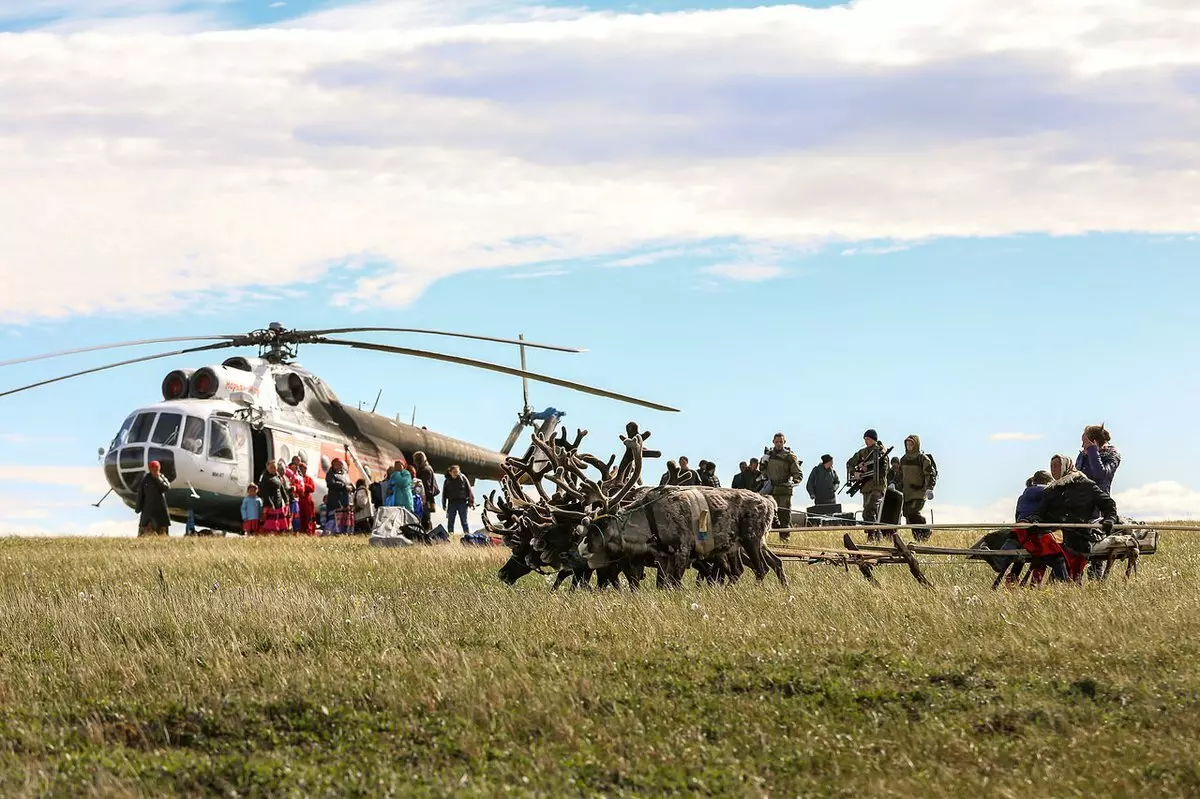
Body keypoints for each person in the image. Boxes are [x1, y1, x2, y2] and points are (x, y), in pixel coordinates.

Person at [1019, 453, 1118, 582]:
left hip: (1077, 533)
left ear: (1066, 466)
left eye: (1056, 466)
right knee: (1021, 533)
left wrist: (1109, 519)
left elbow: (1108, 504)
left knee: (1050, 543)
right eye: (1051, 466)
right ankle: (1063, 579)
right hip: (1054, 531)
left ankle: (1065, 581)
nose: (1053, 469)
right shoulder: (1052, 489)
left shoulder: (1086, 485)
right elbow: (1040, 512)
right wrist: (1034, 519)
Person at [761, 432, 804, 539]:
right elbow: (762, 470)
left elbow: (797, 472)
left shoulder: (789, 456)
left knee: (784, 516)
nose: (779, 444)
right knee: (768, 515)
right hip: (770, 489)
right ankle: (767, 540)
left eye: (781, 442)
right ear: (773, 442)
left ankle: (785, 538)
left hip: (784, 490)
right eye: (776, 442)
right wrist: (763, 462)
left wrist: (796, 480)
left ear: (784, 442)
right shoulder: (768, 455)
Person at [897, 435, 937, 541]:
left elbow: (930, 474)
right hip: (906, 494)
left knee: (913, 513)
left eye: (911, 444)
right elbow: (899, 476)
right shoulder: (903, 459)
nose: (909, 446)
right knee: (908, 515)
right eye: (907, 444)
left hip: (918, 492)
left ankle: (926, 531)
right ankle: (919, 539)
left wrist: (929, 488)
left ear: (916, 445)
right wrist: (894, 484)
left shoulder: (922, 458)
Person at [847, 430, 888, 532]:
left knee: (869, 510)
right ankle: (875, 535)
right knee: (868, 512)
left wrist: (867, 466)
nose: (866, 441)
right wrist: (855, 472)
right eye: (865, 439)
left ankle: (873, 534)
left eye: (868, 439)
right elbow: (849, 463)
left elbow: (883, 469)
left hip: (877, 486)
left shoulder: (881, 451)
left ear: (873, 439)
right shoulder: (862, 452)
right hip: (866, 487)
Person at [1076, 424, 1120, 494]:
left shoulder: (1112, 454)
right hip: (1081, 501)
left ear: (1094, 442)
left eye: (1084, 442)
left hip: (1099, 501)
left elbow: (1100, 475)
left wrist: (1092, 450)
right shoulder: (1082, 455)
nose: (1082, 445)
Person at [135, 460, 171, 536]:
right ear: (150, 469)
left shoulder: (162, 478)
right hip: (147, 512)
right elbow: (140, 495)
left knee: (162, 535)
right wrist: (138, 508)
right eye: (153, 468)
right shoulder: (145, 479)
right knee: (144, 535)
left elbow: (166, 488)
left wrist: (158, 478)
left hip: (161, 512)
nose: (155, 470)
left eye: (156, 468)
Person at [442, 464, 474, 534]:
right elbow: (444, 493)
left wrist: (471, 502)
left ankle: (467, 535)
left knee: (464, 521)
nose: (456, 473)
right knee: (450, 521)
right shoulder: (447, 481)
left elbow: (469, 490)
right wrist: (443, 504)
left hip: (462, 502)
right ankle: (451, 535)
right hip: (451, 503)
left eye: (457, 472)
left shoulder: (463, 478)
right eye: (454, 472)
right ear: (450, 472)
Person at [258, 461, 287, 534]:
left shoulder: (277, 476)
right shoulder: (265, 478)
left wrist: (286, 499)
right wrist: (270, 504)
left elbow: (281, 488)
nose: (273, 469)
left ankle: (278, 534)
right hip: (270, 503)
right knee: (270, 524)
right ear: (267, 468)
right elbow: (264, 492)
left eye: (275, 467)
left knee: (280, 523)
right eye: (271, 467)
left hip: (278, 502)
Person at [325, 458, 353, 534]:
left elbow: (350, 483)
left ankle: (345, 532)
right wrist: (343, 486)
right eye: (338, 464)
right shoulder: (330, 474)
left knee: (344, 518)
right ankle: (333, 532)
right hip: (335, 500)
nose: (340, 465)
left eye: (341, 464)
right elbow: (331, 484)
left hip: (345, 500)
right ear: (333, 465)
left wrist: (352, 487)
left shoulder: (345, 474)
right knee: (334, 518)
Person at [412, 451, 439, 529]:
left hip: (425, 497)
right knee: (426, 518)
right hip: (427, 497)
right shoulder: (427, 468)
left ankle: (427, 536)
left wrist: (426, 499)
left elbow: (426, 486)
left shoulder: (424, 470)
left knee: (425, 518)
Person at [296, 462, 316, 535]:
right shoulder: (296, 478)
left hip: (307, 502)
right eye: (302, 468)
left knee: (309, 517)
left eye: (305, 468)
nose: (304, 470)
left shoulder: (308, 478)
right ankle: (301, 531)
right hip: (299, 501)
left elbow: (312, 488)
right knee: (300, 518)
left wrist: (304, 485)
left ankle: (309, 531)